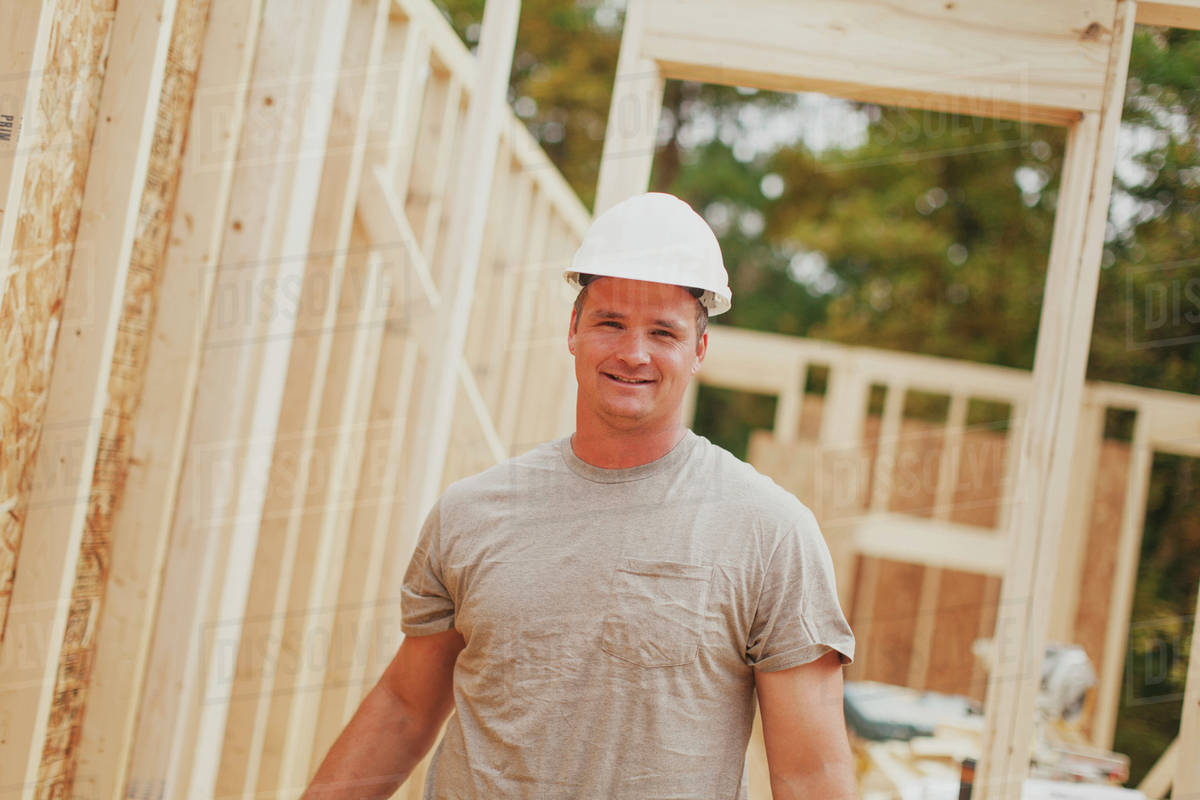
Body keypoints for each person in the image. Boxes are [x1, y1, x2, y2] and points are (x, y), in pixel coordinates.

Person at [304, 192, 857, 799]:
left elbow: (810, 775)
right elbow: (405, 707)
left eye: (663, 332)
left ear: (699, 349)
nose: (633, 353)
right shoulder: (473, 513)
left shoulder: (768, 532)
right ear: (573, 328)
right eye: (610, 322)